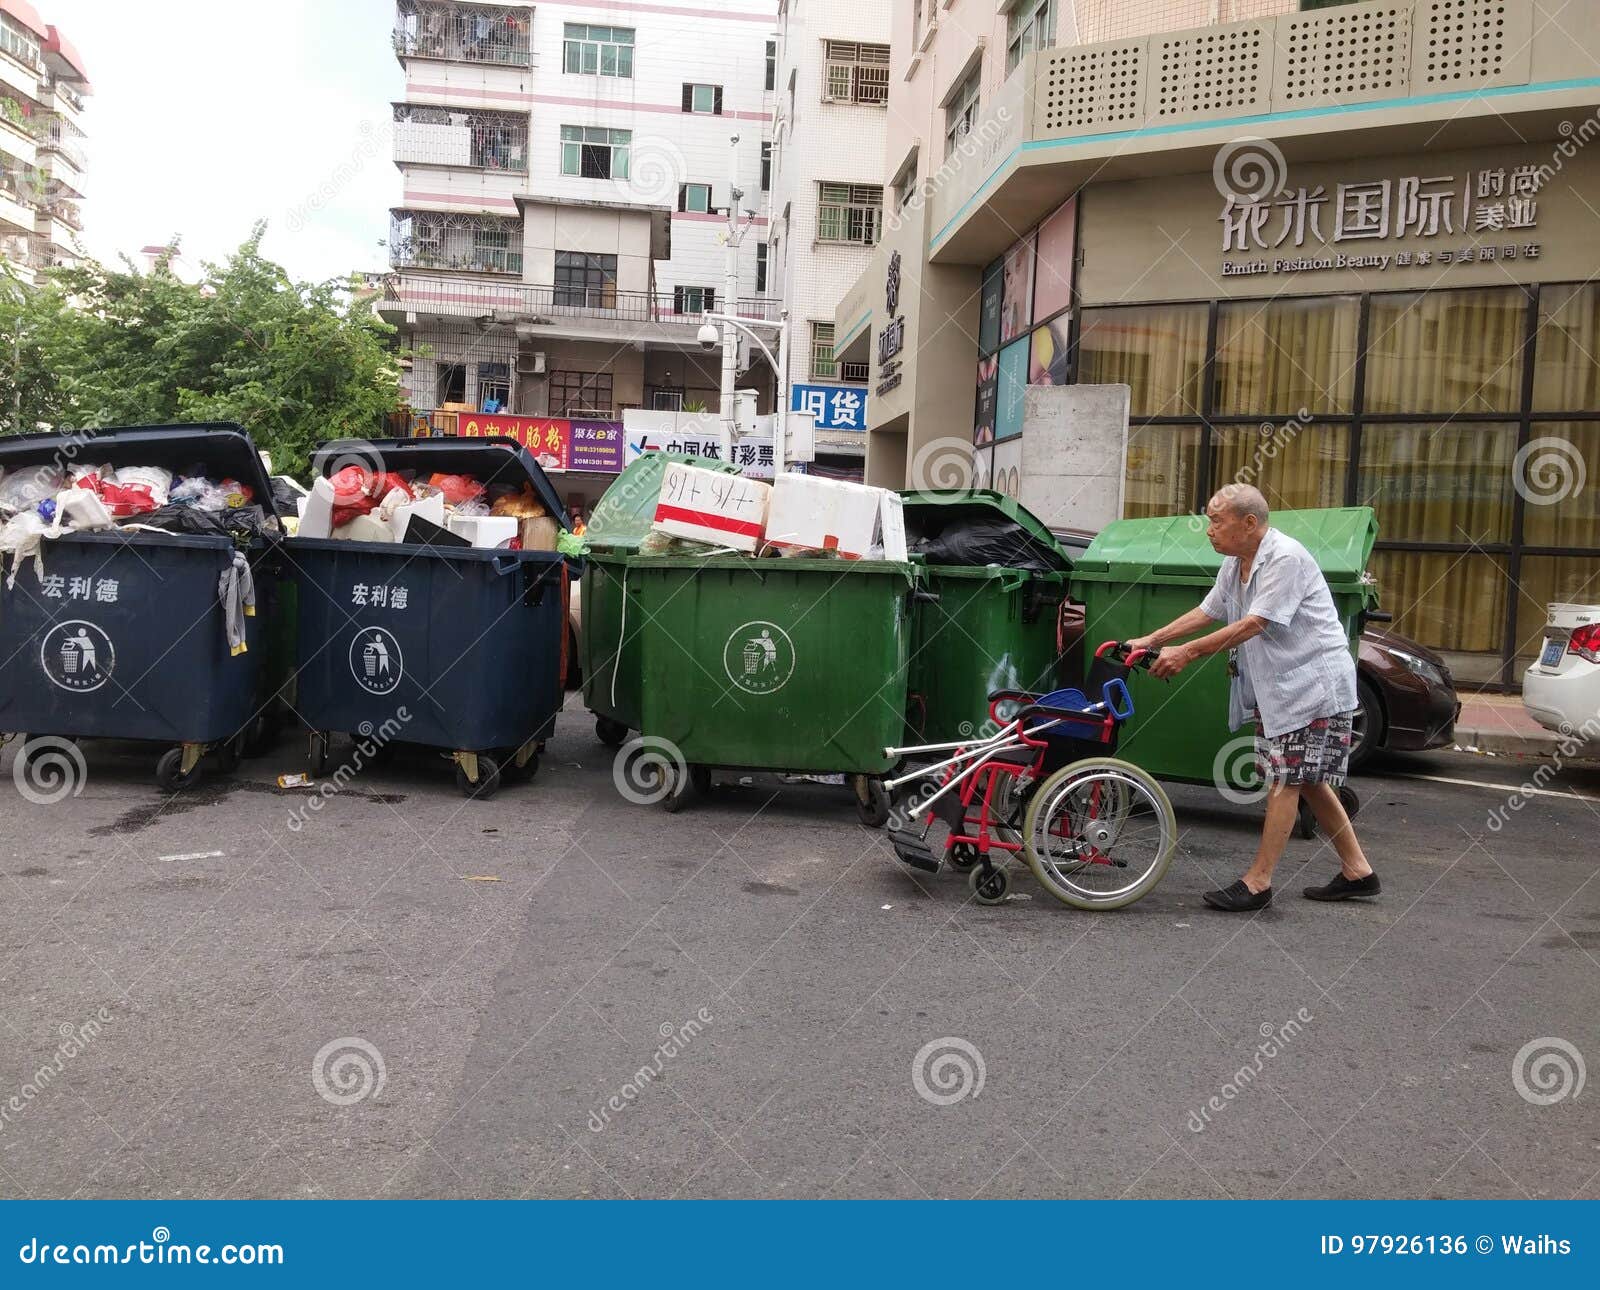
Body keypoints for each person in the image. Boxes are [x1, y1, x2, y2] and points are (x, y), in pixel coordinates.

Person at [1126, 484, 1378, 912]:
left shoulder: (1285, 559)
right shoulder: (1236, 562)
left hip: (1311, 685)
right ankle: (1358, 871)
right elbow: (1210, 611)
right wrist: (1152, 638)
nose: (1208, 530)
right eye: (1208, 520)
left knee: (1285, 779)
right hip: (1281, 686)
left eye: (1217, 520)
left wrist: (1188, 653)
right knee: (1307, 778)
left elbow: (1255, 623)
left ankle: (1258, 883)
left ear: (1248, 523)